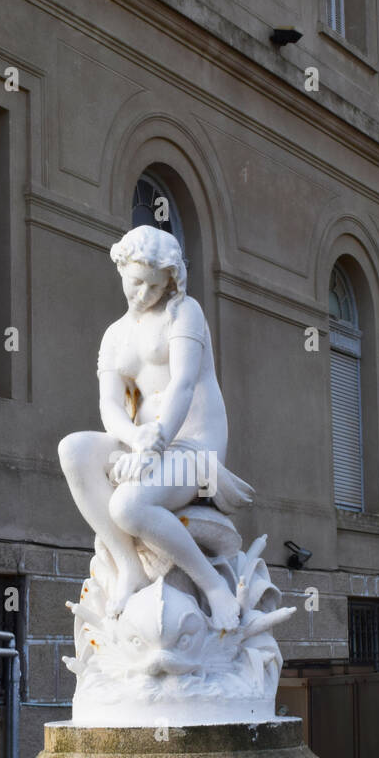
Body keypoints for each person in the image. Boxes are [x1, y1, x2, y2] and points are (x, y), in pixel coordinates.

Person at [58, 225, 251, 630]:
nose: (143, 294)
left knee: (128, 505)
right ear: (122, 271)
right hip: (144, 442)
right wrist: (134, 439)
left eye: (153, 286)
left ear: (169, 283)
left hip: (192, 444)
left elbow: (181, 385)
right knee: (72, 449)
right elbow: (109, 404)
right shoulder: (115, 335)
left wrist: (152, 447)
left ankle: (213, 585)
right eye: (135, 283)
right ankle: (130, 566)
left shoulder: (185, 313)